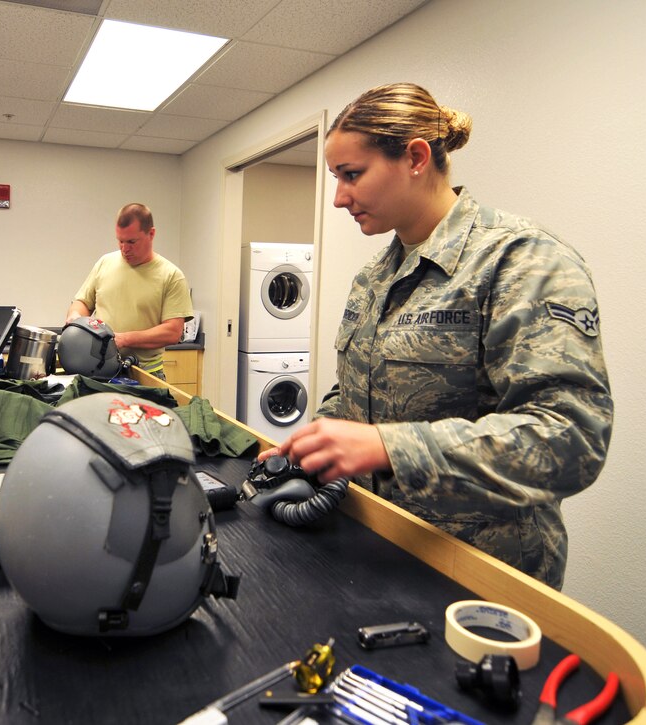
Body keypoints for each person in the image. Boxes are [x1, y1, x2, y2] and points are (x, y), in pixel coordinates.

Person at [261, 83, 612, 589]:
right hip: (378, 552)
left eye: (352, 175)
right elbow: (357, 394)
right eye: (337, 178)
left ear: (416, 157)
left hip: (480, 576)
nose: (339, 198)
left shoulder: (521, 260)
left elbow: (571, 439)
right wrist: (314, 443)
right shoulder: (374, 277)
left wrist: (389, 447)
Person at [66, 203, 193, 379]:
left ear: (151, 234)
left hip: (144, 374)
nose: (125, 249)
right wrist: (75, 319)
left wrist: (125, 339)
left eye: (132, 242)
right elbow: (82, 302)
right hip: (100, 371)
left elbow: (173, 331)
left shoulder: (171, 275)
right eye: (120, 241)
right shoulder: (105, 263)